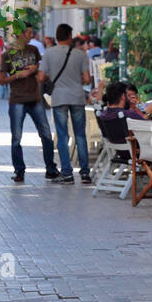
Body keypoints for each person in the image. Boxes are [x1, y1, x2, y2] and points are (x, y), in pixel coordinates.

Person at [0, 32, 58, 184]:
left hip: (35, 98)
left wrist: (34, 69)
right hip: (17, 100)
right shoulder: (7, 55)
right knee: (16, 138)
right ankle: (19, 170)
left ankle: (51, 168)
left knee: (46, 134)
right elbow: (1, 80)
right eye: (26, 33)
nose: (29, 36)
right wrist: (18, 75)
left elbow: (40, 67)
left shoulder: (33, 50)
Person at [39, 23, 93, 184]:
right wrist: (76, 78)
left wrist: (53, 77)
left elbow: (41, 78)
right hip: (77, 97)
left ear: (57, 37)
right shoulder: (80, 54)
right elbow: (87, 79)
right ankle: (84, 173)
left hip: (59, 97)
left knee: (62, 136)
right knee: (80, 135)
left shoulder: (49, 53)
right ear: (70, 37)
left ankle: (67, 173)